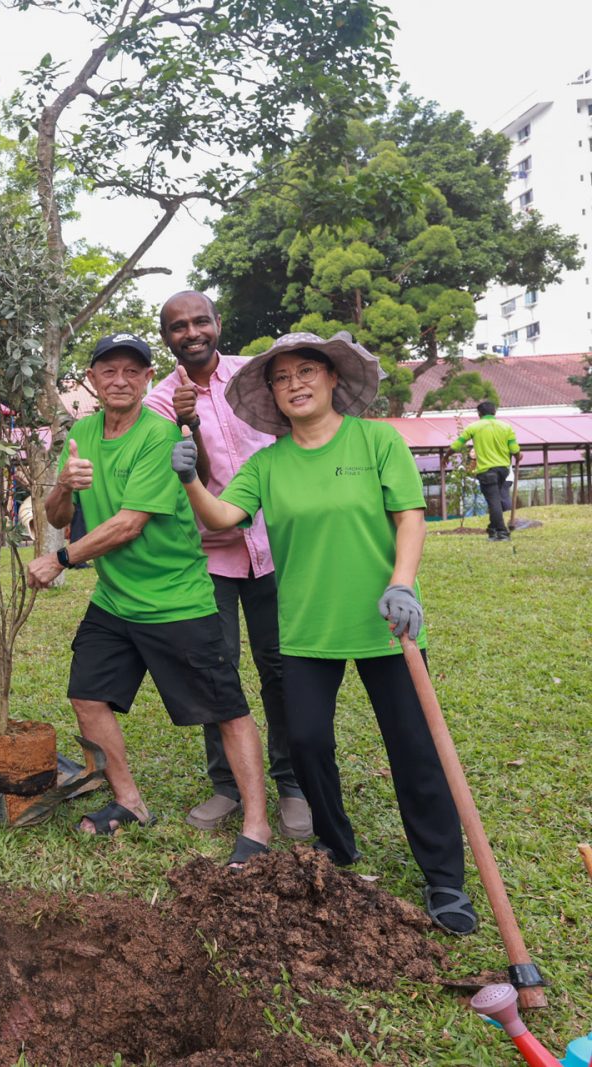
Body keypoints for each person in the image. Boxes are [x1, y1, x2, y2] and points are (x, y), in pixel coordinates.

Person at [173, 330, 476, 934]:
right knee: (308, 744)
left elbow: (409, 516)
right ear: (272, 394)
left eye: (307, 371)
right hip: (307, 627)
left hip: (386, 622)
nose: (295, 384)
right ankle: (337, 849)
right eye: (281, 378)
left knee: (414, 752)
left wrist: (403, 583)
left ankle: (444, 880)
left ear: (334, 377)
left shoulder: (375, 440)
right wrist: (190, 479)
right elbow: (223, 519)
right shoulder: (267, 464)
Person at [27, 333, 272, 867]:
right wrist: (65, 486)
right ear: (91, 379)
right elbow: (57, 516)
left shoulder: (160, 436)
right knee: (87, 696)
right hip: (115, 600)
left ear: (145, 379)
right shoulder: (83, 432)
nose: (119, 380)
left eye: (131, 372)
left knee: (227, 710)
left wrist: (61, 560)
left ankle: (256, 825)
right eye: (108, 371)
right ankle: (129, 801)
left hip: (176, 601)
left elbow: (128, 525)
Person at [145, 291, 311, 841]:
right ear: (165, 336)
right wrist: (187, 427)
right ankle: (226, 785)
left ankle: (291, 784)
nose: (190, 333)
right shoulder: (159, 404)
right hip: (208, 559)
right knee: (216, 672)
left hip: (276, 548)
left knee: (283, 669)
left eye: (200, 321)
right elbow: (185, 479)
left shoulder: (256, 378)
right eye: (177, 327)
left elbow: (297, 440)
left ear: (218, 324)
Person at [452, 400, 520, 541]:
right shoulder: (506, 427)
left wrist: (446, 456)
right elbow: (515, 450)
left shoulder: (474, 427)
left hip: (486, 471)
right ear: (494, 412)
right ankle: (492, 529)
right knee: (494, 499)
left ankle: (502, 532)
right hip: (503, 470)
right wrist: (519, 456)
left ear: (479, 413)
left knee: (494, 501)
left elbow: (457, 444)